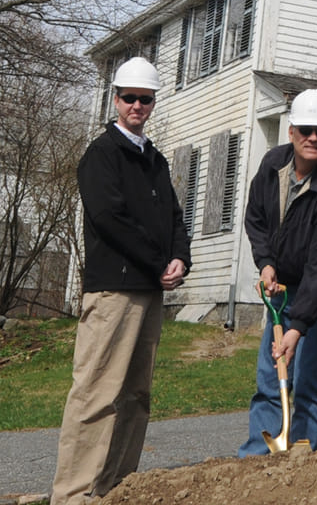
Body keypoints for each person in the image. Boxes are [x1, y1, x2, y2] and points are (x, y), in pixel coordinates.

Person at [51, 57, 190, 505]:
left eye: (145, 99)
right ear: (115, 100)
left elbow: (174, 217)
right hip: (113, 291)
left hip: (148, 291)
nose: (137, 106)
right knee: (96, 395)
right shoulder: (102, 154)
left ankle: (116, 489)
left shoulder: (155, 160)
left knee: (135, 395)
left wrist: (180, 258)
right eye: (129, 98)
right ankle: (73, 495)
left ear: (153, 103)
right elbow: (110, 219)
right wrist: (158, 262)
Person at [238, 89, 317, 456]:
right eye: (306, 130)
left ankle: (304, 465)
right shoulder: (273, 163)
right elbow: (256, 218)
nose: (313, 138)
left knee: (308, 380)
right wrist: (266, 263)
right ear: (291, 131)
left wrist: (297, 327)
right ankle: (258, 459)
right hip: (282, 286)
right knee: (270, 378)